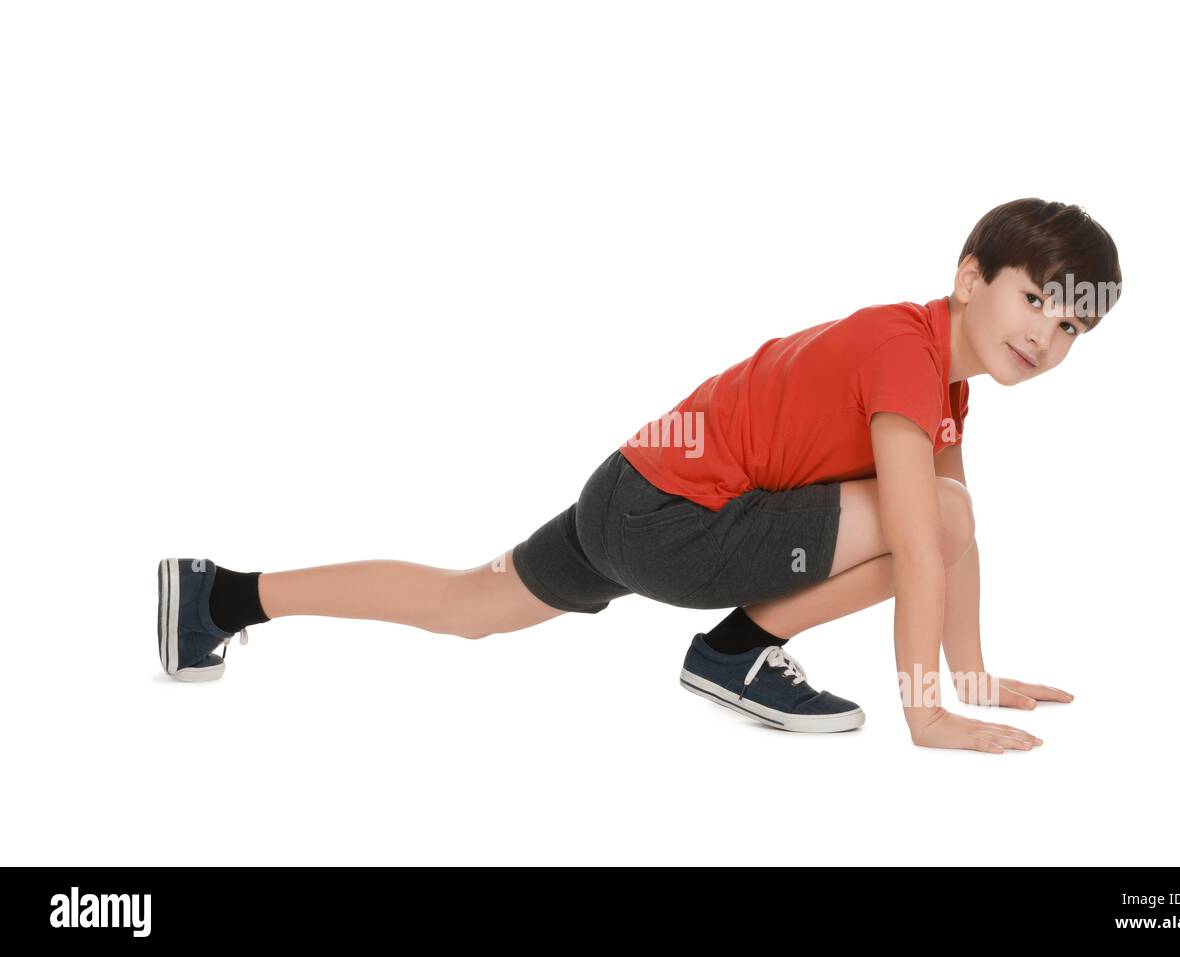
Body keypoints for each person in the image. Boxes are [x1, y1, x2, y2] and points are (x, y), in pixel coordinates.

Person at [157, 197, 1119, 752]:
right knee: (937, 516)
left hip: (626, 492)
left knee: (462, 602)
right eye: (1036, 298)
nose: (1046, 332)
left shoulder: (941, 383)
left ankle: (221, 597)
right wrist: (930, 713)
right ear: (968, 277)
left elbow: (956, 536)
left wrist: (975, 673)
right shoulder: (905, 359)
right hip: (675, 524)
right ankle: (735, 651)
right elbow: (925, 538)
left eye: (1073, 325)